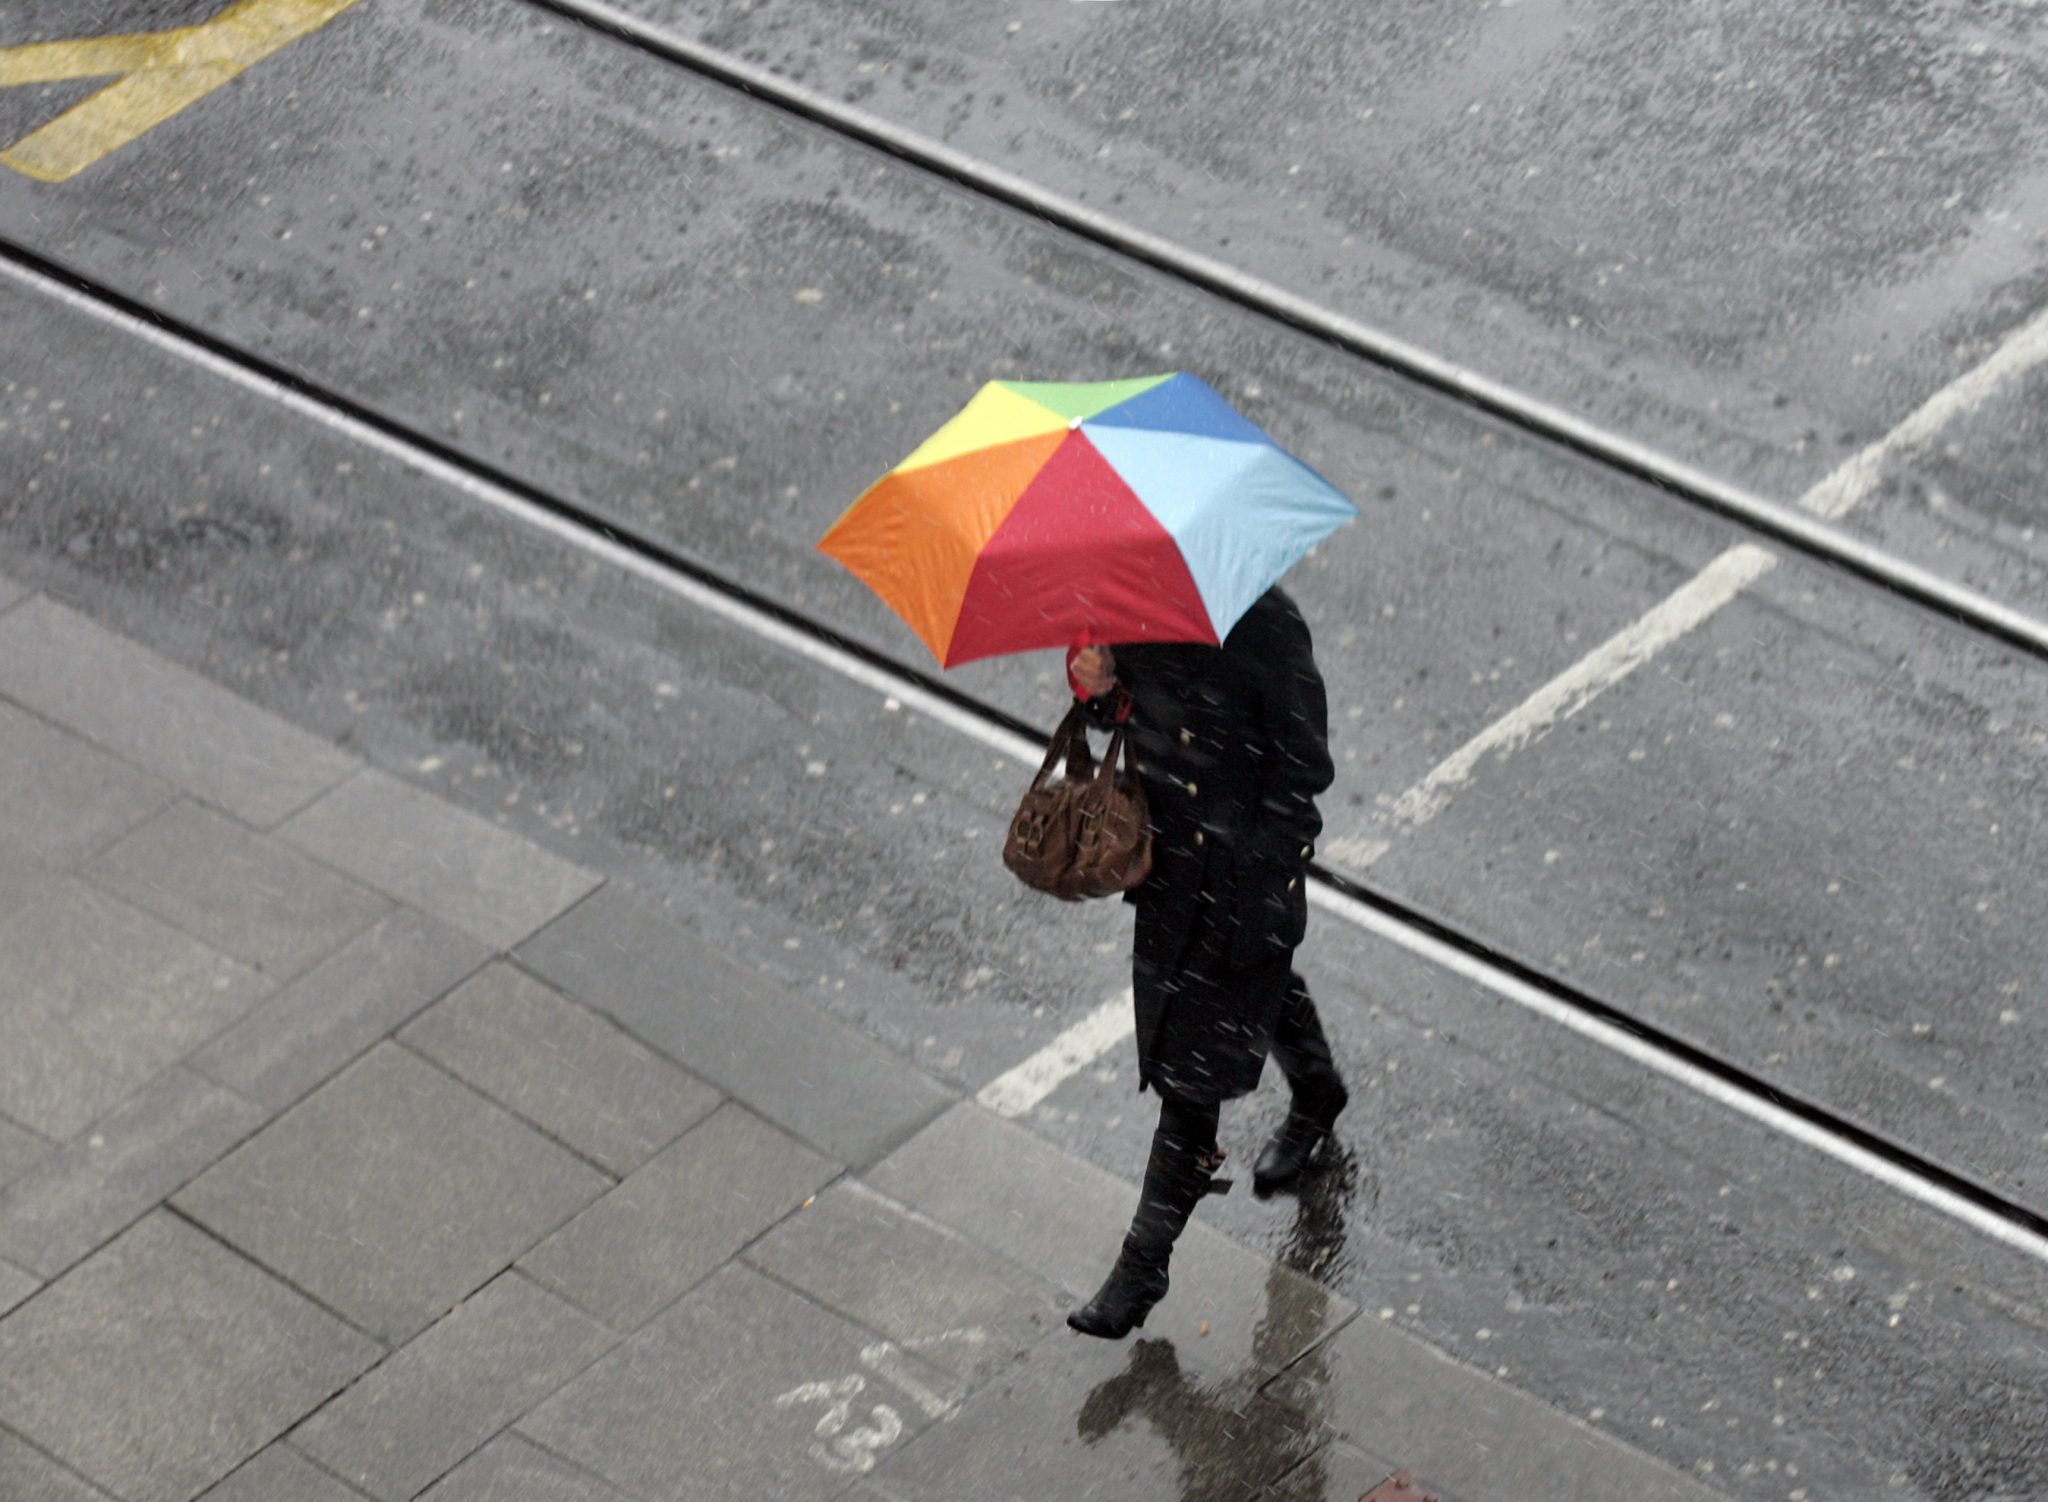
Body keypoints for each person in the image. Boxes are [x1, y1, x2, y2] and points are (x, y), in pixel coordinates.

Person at [1062, 583, 1349, 1340]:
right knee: (1247, 1003)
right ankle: (1319, 1092)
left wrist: (1257, 880)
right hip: (1170, 878)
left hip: (1240, 884)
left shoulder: (1268, 622)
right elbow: (1124, 719)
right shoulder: (1131, 604)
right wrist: (1096, 689)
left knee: (1191, 1086)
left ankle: (1141, 1267)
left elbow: (1303, 772)